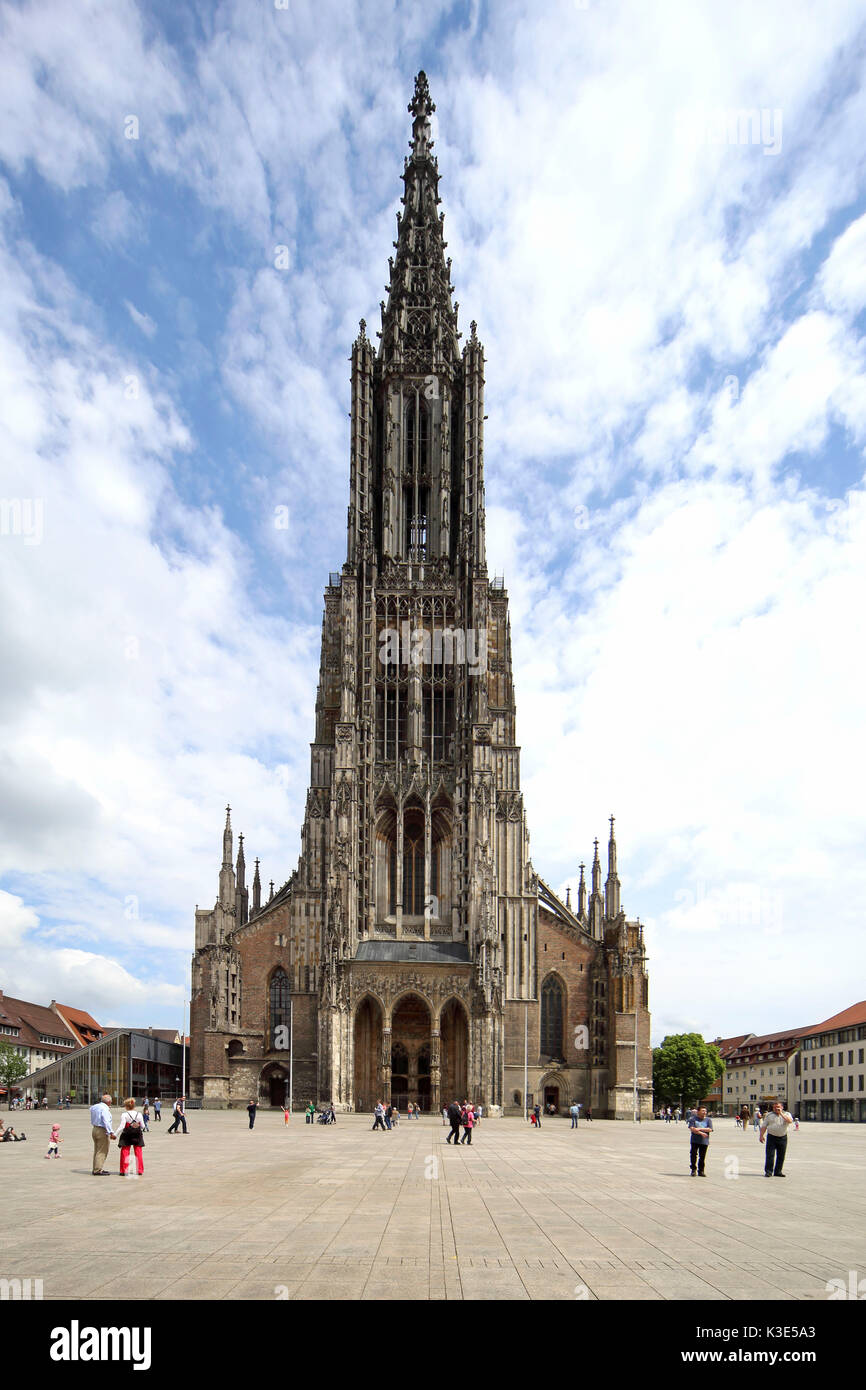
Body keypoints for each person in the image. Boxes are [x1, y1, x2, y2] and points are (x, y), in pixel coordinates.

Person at [760, 1101, 793, 1177]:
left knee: (781, 1155)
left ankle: (778, 1171)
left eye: (778, 1107)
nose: (776, 1108)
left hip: (783, 1137)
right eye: (774, 1107)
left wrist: (781, 1113)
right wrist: (761, 1135)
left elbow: (790, 1121)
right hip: (772, 1137)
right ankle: (768, 1171)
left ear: (782, 1107)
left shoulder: (787, 1114)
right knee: (770, 1155)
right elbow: (764, 1126)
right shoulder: (769, 1115)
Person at [116, 1098, 145, 1177]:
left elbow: (122, 1126)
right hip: (137, 1134)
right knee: (138, 1152)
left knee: (125, 1151)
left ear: (126, 1106)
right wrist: (136, 1126)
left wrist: (115, 1134)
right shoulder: (139, 1114)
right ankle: (140, 1170)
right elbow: (143, 1126)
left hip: (126, 1135)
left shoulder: (124, 1114)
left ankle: (123, 1170)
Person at [90, 1092, 115, 1174]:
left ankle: (96, 1168)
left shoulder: (95, 1107)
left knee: (97, 1149)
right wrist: (111, 1132)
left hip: (95, 1128)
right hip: (102, 1130)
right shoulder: (104, 1109)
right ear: (108, 1102)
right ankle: (98, 1169)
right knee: (102, 1150)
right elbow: (106, 1121)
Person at [688, 1105, 712, 1176]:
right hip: (695, 1140)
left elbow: (710, 1129)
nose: (704, 1112)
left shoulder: (708, 1120)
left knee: (702, 1156)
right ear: (698, 1112)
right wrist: (701, 1133)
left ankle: (701, 1171)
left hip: (704, 1141)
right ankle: (693, 1169)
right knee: (693, 1155)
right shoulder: (693, 1119)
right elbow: (692, 1129)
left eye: (705, 1111)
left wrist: (699, 1129)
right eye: (703, 1111)